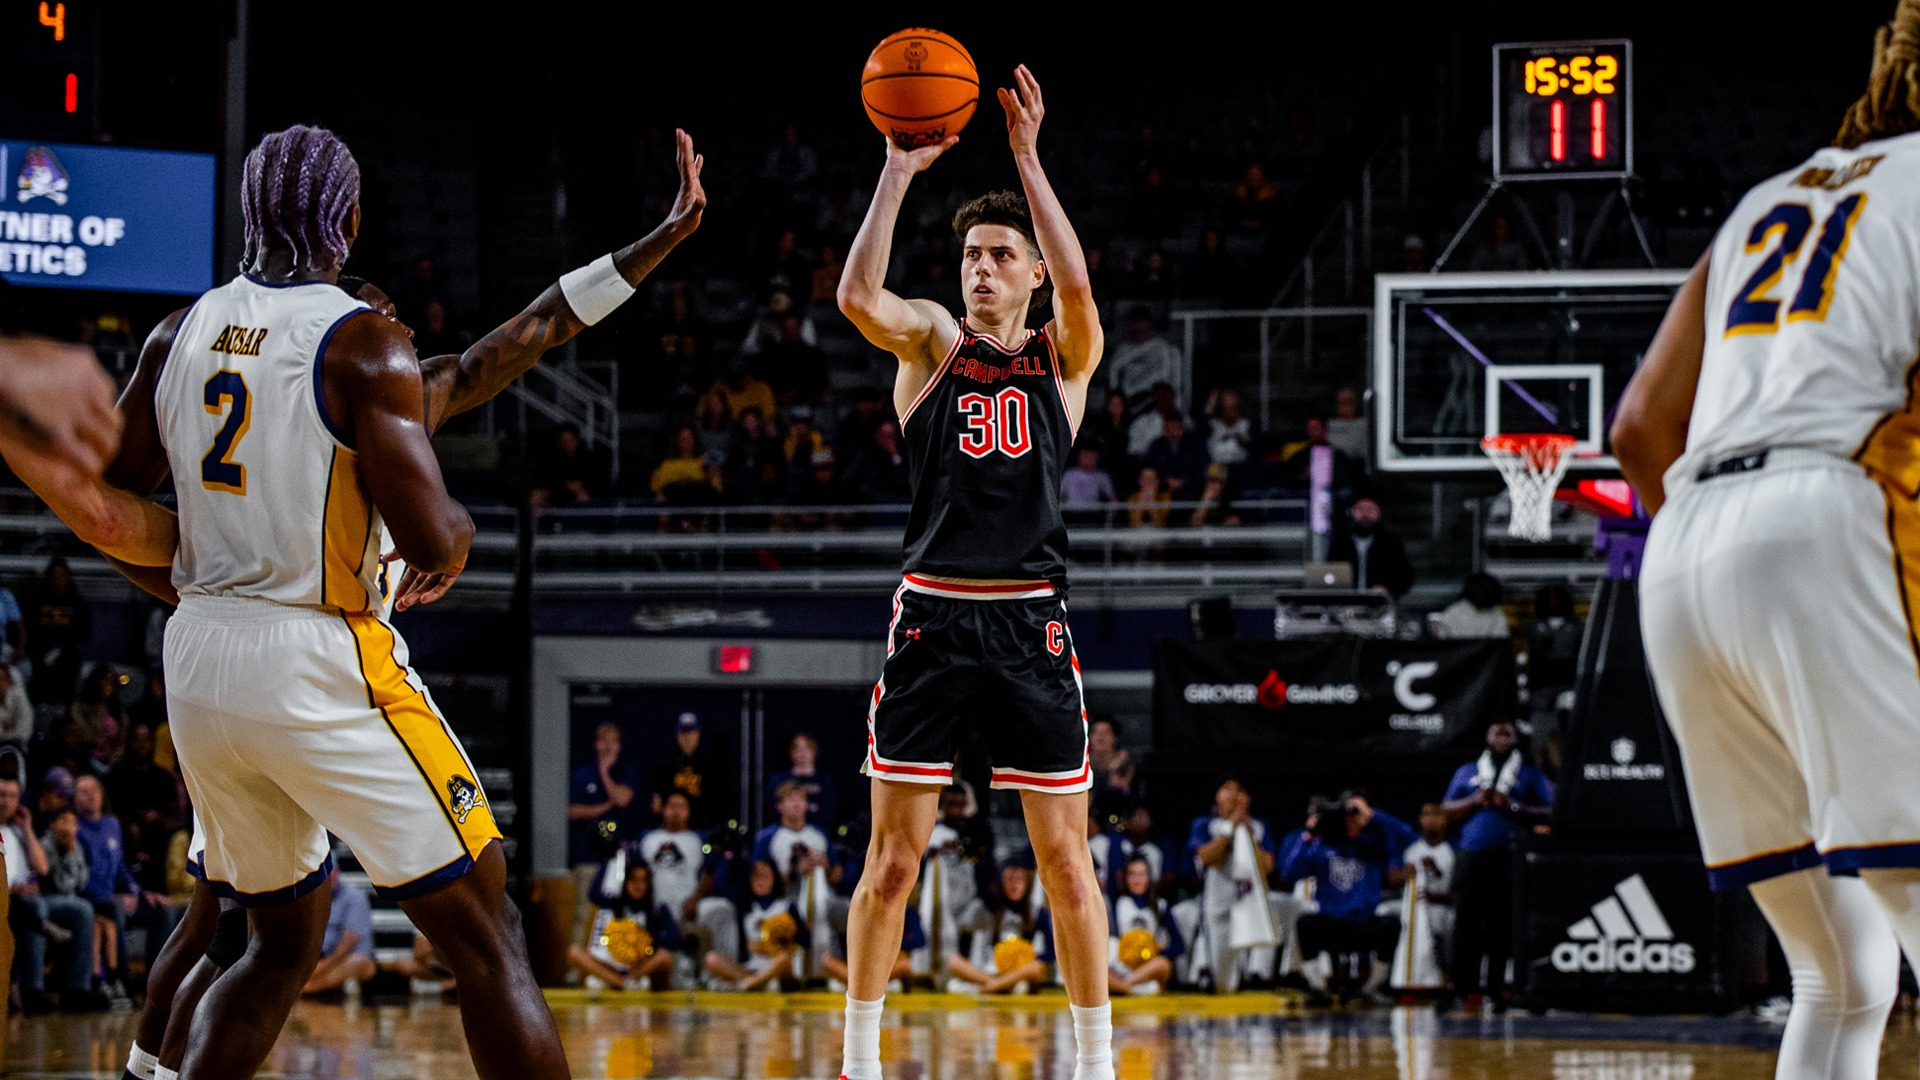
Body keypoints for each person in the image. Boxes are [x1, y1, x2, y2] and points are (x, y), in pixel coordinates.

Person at [83, 124, 704, 1080]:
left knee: (270, 943)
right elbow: (434, 540)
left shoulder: (179, 333)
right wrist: (452, 535)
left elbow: (523, 337)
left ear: (250, 211)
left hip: (198, 660)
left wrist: (649, 245)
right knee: (487, 928)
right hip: (316, 652)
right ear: (349, 219)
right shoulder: (364, 350)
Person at [1609, 12, 1920, 1071]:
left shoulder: (1768, 197)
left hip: (1686, 548)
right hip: (1826, 524)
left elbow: (1638, 430)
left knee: (1841, 971)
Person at [835, 65, 1114, 1080]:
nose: (981, 269)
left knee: (1066, 867)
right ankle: (859, 1060)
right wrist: (896, 170)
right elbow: (858, 295)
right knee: (893, 861)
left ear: (1032, 272)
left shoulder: (1061, 361)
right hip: (934, 621)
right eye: (972, 256)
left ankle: (1096, 1063)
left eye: (1001, 256)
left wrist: (1030, 160)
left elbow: (1083, 292)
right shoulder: (932, 346)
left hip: (1032, 627)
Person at [1441, 722, 1553, 1010]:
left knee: (1500, 925)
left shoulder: (1528, 773)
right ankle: (1460, 987)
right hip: (1471, 855)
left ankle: (1495, 989)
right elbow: (1446, 809)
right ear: (1487, 737)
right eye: (1497, 733)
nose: (1502, 739)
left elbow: (1551, 809)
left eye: (1508, 734)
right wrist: (1474, 800)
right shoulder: (1469, 771)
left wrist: (1513, 806)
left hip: (1508, 856)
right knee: (1465, 924)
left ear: (1516, 739)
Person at [1277, 792, 1415, 1004]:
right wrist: (1308, 834)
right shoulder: (1321, 846)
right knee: (1305, 923)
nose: (1349, 820)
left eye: (1353, 815)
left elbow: (1408, 837)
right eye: (1346, 816)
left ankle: (1370, 988)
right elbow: (1289, 873)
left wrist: (1372, 815)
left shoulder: (1373, 847)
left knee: (1391, 925)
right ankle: (1318, 989)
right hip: (1332, 922)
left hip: (1362, 923)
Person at [0, 777, 99, 1012]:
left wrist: (26, 828)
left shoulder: (18, 831)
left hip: (32, 895)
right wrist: (12, 890)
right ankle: (34, 989)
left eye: (13, 796)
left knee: (83, 910)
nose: (6, 802)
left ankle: (77, 989)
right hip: (12, 897)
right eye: (2, 795)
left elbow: (42, 868)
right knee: (35, 909)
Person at [1177, 779, 1281, 994]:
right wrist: (1231, 826)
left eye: (1239, 790)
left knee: (1258, 955)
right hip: (1217, 899)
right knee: (1221, 971)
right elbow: (1207, 858)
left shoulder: (1259, 826)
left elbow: (1268, 867)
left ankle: (1255, 982)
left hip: (1250, 898)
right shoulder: (1204, 824)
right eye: (1227, 789)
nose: (1233, 795)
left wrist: (1248, 833)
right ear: (1217, 795)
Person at [631, 790, 738, 965]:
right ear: (663, 809)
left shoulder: (700, 839)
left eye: (682, 806)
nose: (676, 811)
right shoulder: (647, 838)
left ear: (688, 811)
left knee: (724, 909)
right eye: (672, 806)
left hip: (689, 907)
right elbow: (636, 874)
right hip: (653, 907)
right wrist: (645, 901)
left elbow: (709, 873)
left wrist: (696, 899)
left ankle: (725, 969)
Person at [752, 780, 843, 977]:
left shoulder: (819, 834)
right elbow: (759, 880)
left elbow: (837, 876)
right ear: (779, 806)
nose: (796, 803)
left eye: (800, 799)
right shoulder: (767, 837)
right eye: (790, 799)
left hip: (822, 903)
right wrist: (795, 872)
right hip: (784, 904)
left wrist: (825, 866)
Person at [568, 723, 637, 941]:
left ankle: (612, 964)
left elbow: (622, 799)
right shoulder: (581, 774)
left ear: (619, 746)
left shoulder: (627, 771)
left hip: (617, 856)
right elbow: (573, 811)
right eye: (604, 741)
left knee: (616, 910)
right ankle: (576, 968)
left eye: (613, 742)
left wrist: (605, 772)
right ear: (596, 745)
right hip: (587, 854)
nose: (608, 746)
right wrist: (606, 806)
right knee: (584, 910)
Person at [945, 858, 1055, 995]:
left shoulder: (1036, 913)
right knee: (953, 962)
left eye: (1019, 880)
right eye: (1009, 879)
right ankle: (1000, 986)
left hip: (1018, 972)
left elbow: (1053, 949)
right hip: (991, 969)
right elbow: (981, 880)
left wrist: (1032, 955)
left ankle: (983, 988)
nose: (1014, 885)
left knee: (1036, 968)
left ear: (1027, 883)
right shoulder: (994, 907)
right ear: (1001, 882)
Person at [567, 861, 679, 992]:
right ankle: (621, 983)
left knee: (664, 957)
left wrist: (649, 940)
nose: (638, 886)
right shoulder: (615, 904)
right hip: (612, 966)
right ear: (626, 882)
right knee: (574, 952)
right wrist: (607, 861)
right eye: (634, 880)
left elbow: (675, 940)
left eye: (643, 881)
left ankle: (622, 981)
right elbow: (593, 895)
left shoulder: (657, 911)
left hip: (640, 967)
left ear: (649, 884)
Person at [703, 857, 804, 992]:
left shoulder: (787, 906)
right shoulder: (745, 908)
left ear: (775, 879)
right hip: (753, 968)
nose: (760, 881)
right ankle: (753, 983)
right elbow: (742, 949)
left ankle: (748, 984)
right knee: (711, 958)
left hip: (778, 968)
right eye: (756, 877)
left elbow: (805, 940)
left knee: (784, 959)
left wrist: (788, 935)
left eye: (765, 877)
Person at [1390, 804, 1457, 995]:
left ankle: (1448, 981)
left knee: (1449, 923)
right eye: (1426, 814)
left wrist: (1434, 895)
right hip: (1411, 908)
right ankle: (1389, 980)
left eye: (1437, 815)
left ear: (1445, 819)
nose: (1431, 819)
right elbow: (1390, 879)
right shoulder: (1410, 849)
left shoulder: (1454, 850)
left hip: (1442, 907)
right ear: (1420, 819)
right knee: (1384, 913)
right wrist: (1402, 876)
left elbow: (1462, 894)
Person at [1107, 855, 1182, 996]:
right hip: (1122, 963)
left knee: (1163, 964)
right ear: (1125, 878)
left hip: (1147, 967)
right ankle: (1134, 989)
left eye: (1141, 875)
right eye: (1132, 875)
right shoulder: (1117, 902)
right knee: (1095, 972)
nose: (1137, 880)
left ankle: (1124, 985)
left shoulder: (1160, 906)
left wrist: (1156, 950)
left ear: (1149, 877)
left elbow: (1179, 945)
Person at [23, 556, 90, 707]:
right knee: (38, 670)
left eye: (62, 576)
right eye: (55, 577)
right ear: (49, 578)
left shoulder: (76, 601)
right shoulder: (37, 598)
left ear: (68, 577)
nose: (58, 580)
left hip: (67, 652)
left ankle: (65, 706)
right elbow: (29, 627)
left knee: (68, 665)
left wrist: (62, 647)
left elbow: (84, 632)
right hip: (40, 650)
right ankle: (41, 705)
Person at [301, 867, 375, 996]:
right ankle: (306, 988)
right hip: (321, 956)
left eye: (333, 873)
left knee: (356, 963)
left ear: (338, 873)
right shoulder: (313, 895)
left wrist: (324, 965)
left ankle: (306, 990)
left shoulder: (355, 896)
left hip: (347, 955)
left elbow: (349, 941)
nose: (330, 878)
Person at [1327, 498, 1414, 598]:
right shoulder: (1341, 542)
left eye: (1370, 510)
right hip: (1346, 603)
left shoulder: (1390, 543)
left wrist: (1387, 589)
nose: (1365, 515)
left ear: (1379, 513)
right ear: (1352, 513)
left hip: (1380, 603)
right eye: (1360, 509)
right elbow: (1329, 572)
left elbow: (1405, 577)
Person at [654, 711, 726, 829]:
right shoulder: (666, 767)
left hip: (701, 829)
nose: (687, 737)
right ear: (677, 735)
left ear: (698, 734)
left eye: (691, 733)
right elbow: (658, 804)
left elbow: (717, 804)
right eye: (683, 733)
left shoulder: (710, 768)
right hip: (671, 828)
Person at [766, 731, 838, 829]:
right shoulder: (778, 780)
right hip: (782, 829)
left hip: (817, 829)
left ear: (814, 751)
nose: (802, 754)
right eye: (797, 749)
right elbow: (771, 808)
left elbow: (828, 811)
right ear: (791, 753)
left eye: (807, 749)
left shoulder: (824, 781)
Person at [1432, 573, 1510, 640]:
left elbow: (1499, 642)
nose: (1484, 595)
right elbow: (1443, 640)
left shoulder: (1497, 615)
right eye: (1482, 592)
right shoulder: (1454, 612)